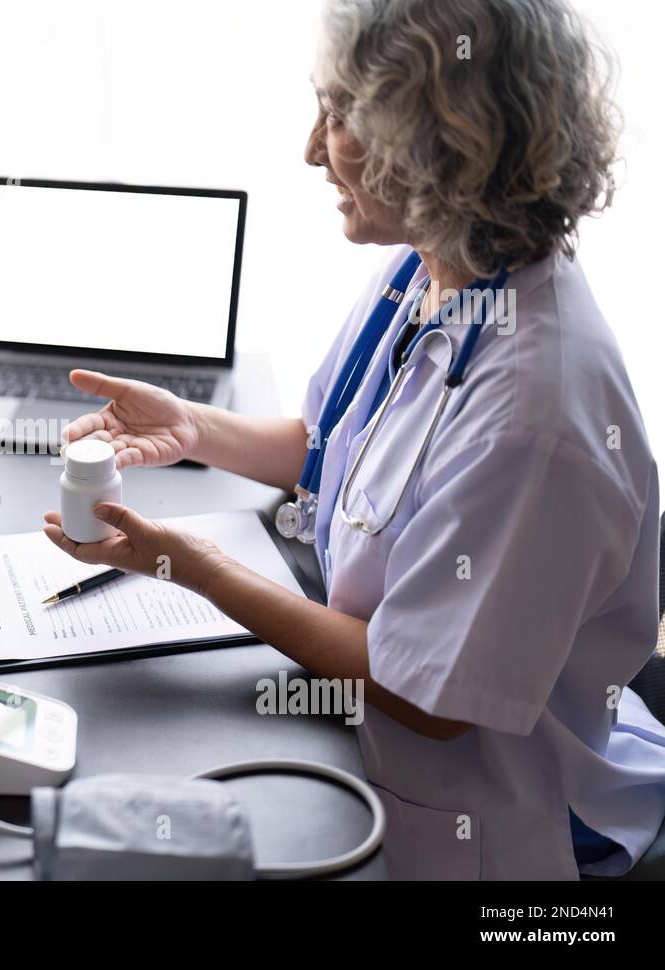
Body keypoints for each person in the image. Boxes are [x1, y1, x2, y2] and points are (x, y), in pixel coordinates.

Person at [43, 0, 662, 879]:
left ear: (441, 144)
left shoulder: (535, 418)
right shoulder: (433, 267)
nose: (309, 148)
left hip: (495, 828)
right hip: (371, 744)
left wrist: (192, 566)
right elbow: (331, 442)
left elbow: (425, 694)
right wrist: (194, 429)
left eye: (339, 115)